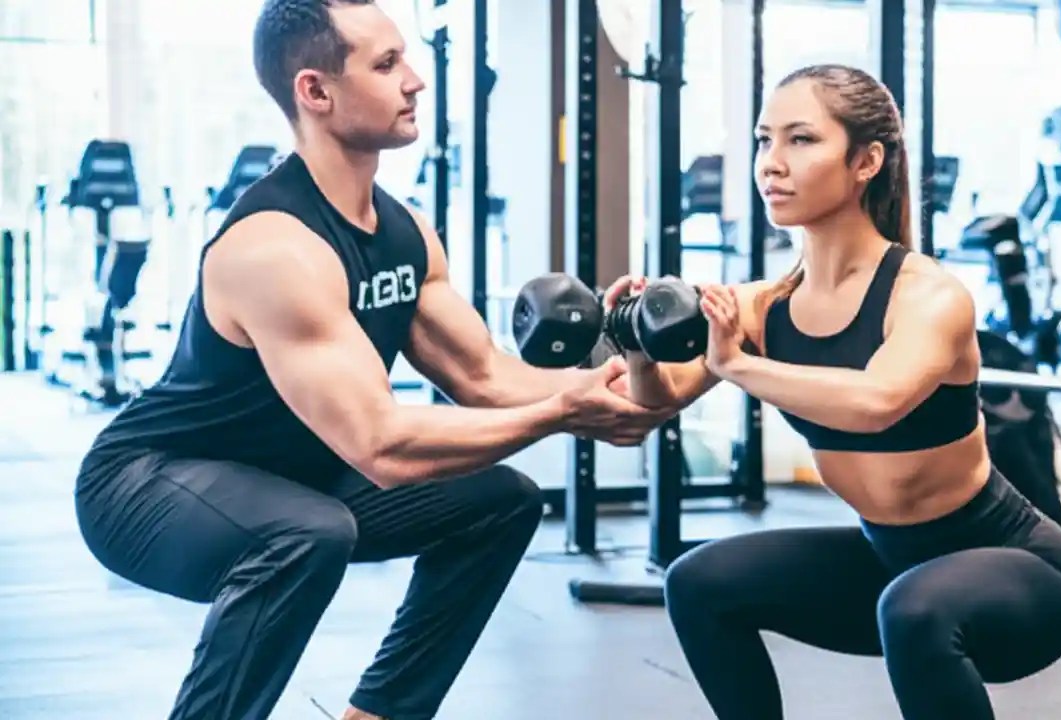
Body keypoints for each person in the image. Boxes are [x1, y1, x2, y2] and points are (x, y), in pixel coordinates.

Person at [72, 2, 667, 719]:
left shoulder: (405, 231)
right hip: (148, 483)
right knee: (307, 533)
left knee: (503, 501)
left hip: (297, 477)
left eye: (405, 58)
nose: (415, 80)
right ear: (315, 92)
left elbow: (484, 377)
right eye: (386, 65)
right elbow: (381, 446)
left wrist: (614, 359)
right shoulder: (276, 247)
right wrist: (561, 414)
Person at [604, 64, 1061, 720]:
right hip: (890, 564)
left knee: (915, 608)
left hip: (1018, 572)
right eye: (762, 140)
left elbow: (877, 400)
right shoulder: (763, 307)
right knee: (697, 582)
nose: (771, 163)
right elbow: (649, 407)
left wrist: (737, 366)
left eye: (800, 140)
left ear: (866, 161)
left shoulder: (927, 296)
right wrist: (635, 344)